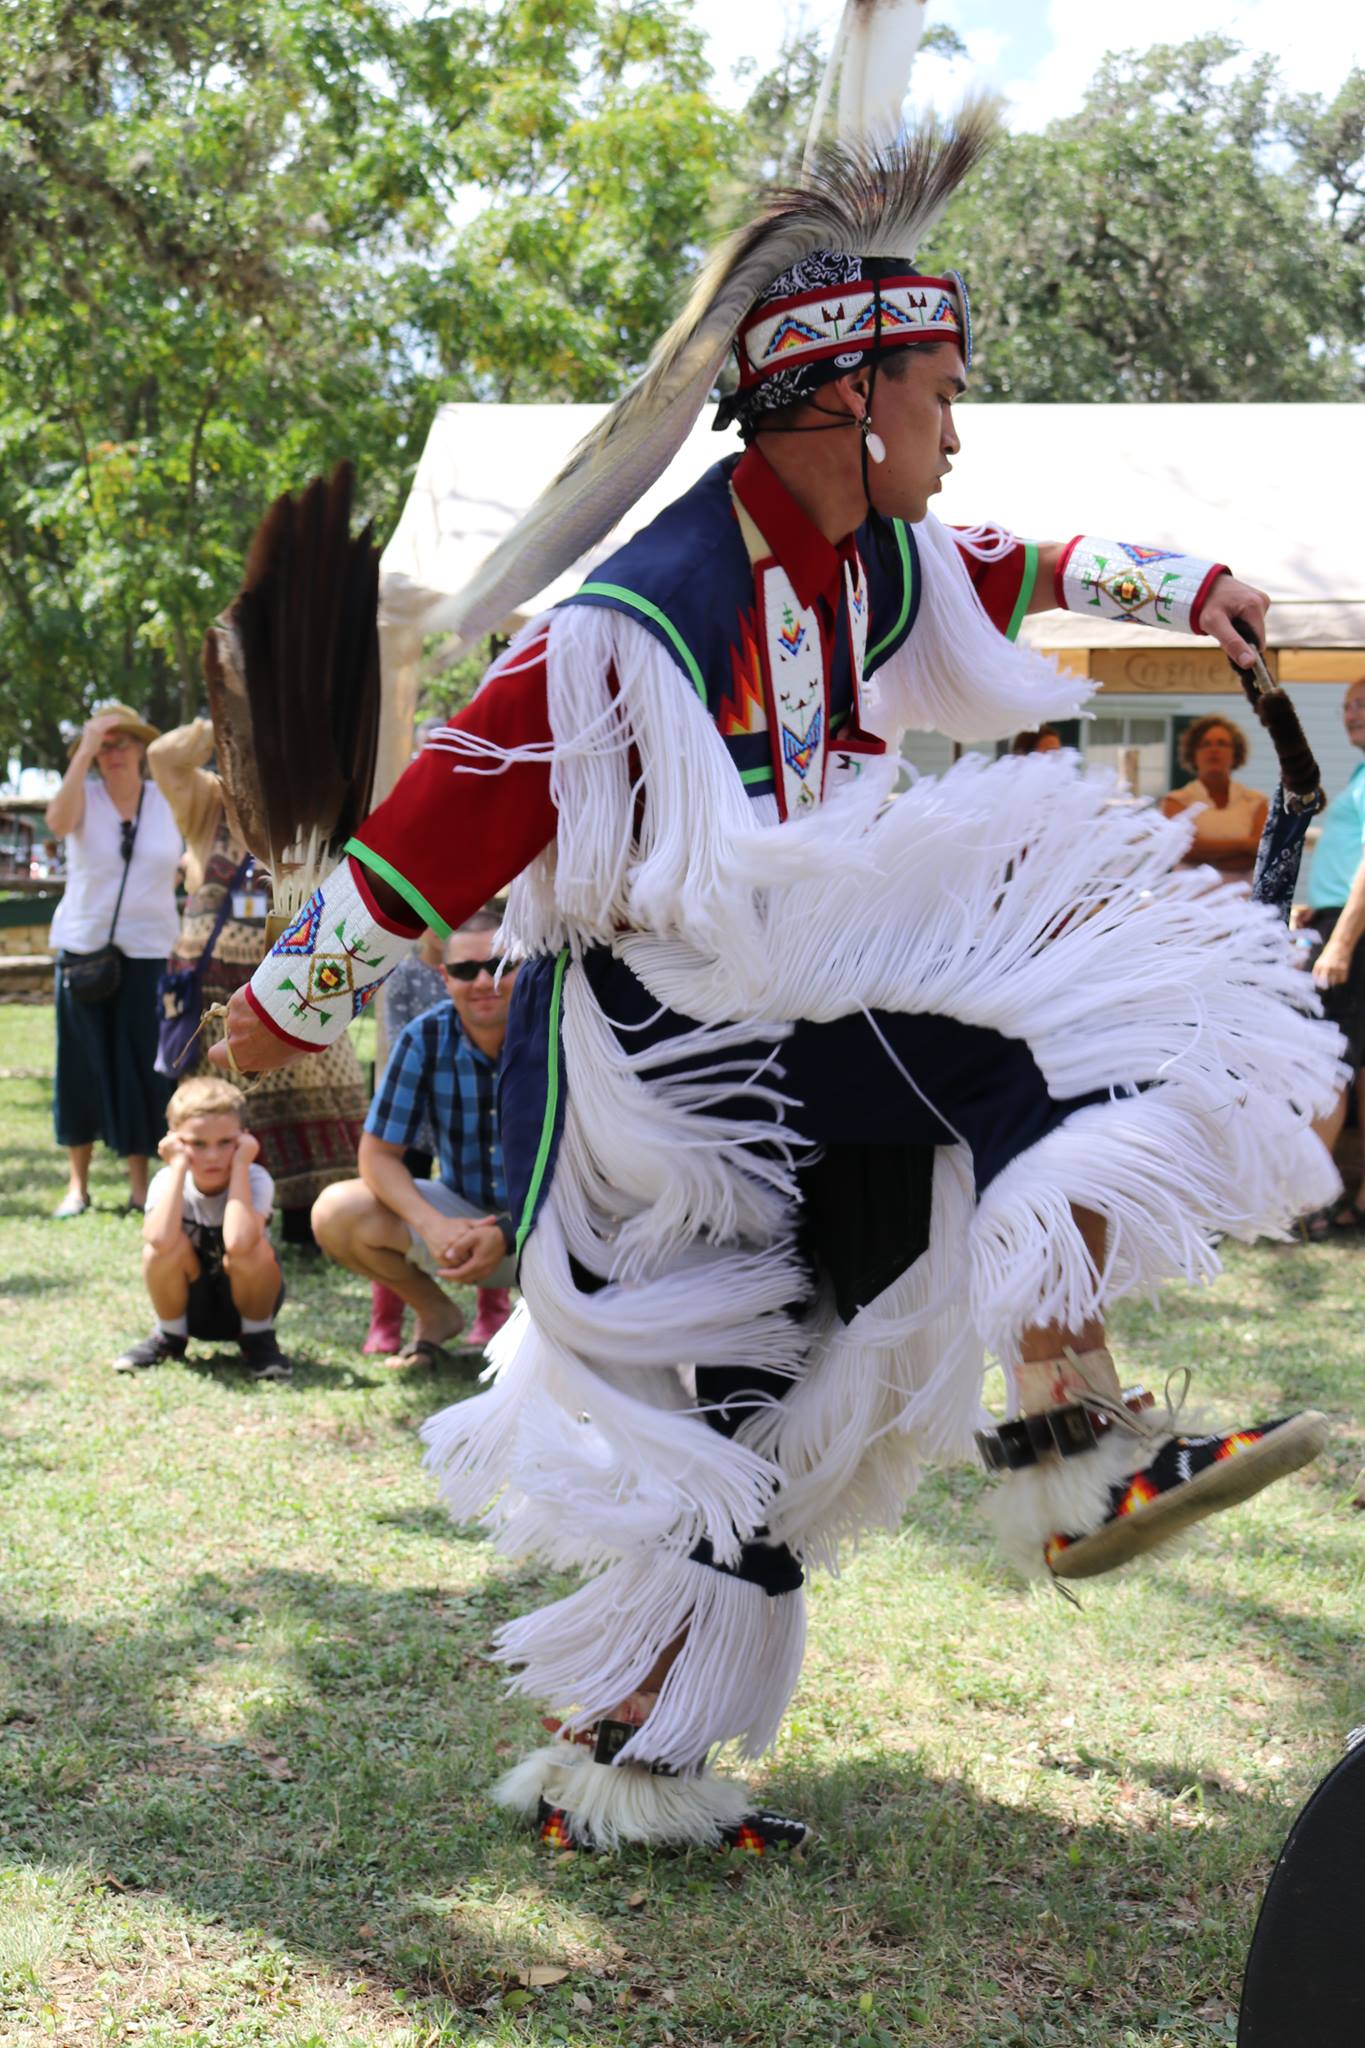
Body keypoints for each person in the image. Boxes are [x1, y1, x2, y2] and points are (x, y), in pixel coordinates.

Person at [212, 104, 1340, 1853]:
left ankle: (623, 1757)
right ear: (839, 393)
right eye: (939, 391)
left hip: (793, 1023)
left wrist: (1193, 580)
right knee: (1031, 1018)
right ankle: (1072, 1440)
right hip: (687, 1043)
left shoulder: (862, 558)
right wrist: (284, 999)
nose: (956, 430)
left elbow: (1019, 565)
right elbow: (450, 806)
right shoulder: (639, 613)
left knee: (772, 1400)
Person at [146, 718, 368, 1245]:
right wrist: (233, 715)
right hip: (214, 1003)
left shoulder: (313, 814)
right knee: (220, 1108)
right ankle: (214, 1224)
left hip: (300, 992)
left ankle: (309, 1225)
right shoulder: (209, 806)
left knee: (315, 1094)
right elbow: (162, 757)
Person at [311, 912, 518, 1367]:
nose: (483, 981)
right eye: (466, 970)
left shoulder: (557, 1031)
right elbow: (378, 1154)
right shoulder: (424, 1037)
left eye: (499, 967)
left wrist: (510, 1231)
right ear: (445, 978)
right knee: (336, 1211)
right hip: (463, 1212)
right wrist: (431, 1224)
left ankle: (558, 1338)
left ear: (525, 966)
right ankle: (435, 1313)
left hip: (551, 1223)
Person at [46, 704, 182, 1216]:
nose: (114, 752)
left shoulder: (166, 798)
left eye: (123, 742)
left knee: (143, 1065)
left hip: (151, 948)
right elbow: (57, 824)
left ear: (143, 749)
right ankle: (77, 1186)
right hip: (85, 948)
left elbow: (185, 857)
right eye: (105, 744)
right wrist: (83, 750)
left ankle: (141, 1187)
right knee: (79, 1064)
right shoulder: (84, 796)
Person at [113, 1075, 290, 1379]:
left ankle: (259, 1340)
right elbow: (159, 1239)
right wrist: (179, 1167)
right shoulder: (168, 1181)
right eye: (197, 1143)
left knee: (254, 1249)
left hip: (246, 1306)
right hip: (191, 1306)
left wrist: (240, 1167)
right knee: (157, 1250)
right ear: (175, 1141)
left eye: (226, 1143)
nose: (212, 1156)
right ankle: (169, 1336)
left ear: (244, 1139)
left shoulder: (255, 1177)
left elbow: (239, 1242)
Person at [1294, 676, 1365, 1234]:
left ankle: (1310, 1202)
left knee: (1325, 1064)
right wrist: (1315, 907)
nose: (1351, 714)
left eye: (1364, 704)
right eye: (1346, 706)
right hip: (1338, 919)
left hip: (1352, 934)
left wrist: (1339, 938)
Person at [363, 925, 448, 1356]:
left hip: (463, 1112)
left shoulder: (484, 974)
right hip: (413, 1114)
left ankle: (491, 1313)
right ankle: (387, 1318)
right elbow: (400, 1044)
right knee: (393, 1205)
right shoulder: (403, 974)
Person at [1161, 714, 1268, 878]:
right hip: (1189, 899)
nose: (1214, 750)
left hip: (1242, 899)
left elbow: (1262, 853)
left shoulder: (1256, 802)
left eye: (1222, 744)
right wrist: (1245, 845)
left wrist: (1202, 854)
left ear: (1235, 754)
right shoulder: (1176, 801)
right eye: (1205, 744)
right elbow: (1183, 851)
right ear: (1193, 755)